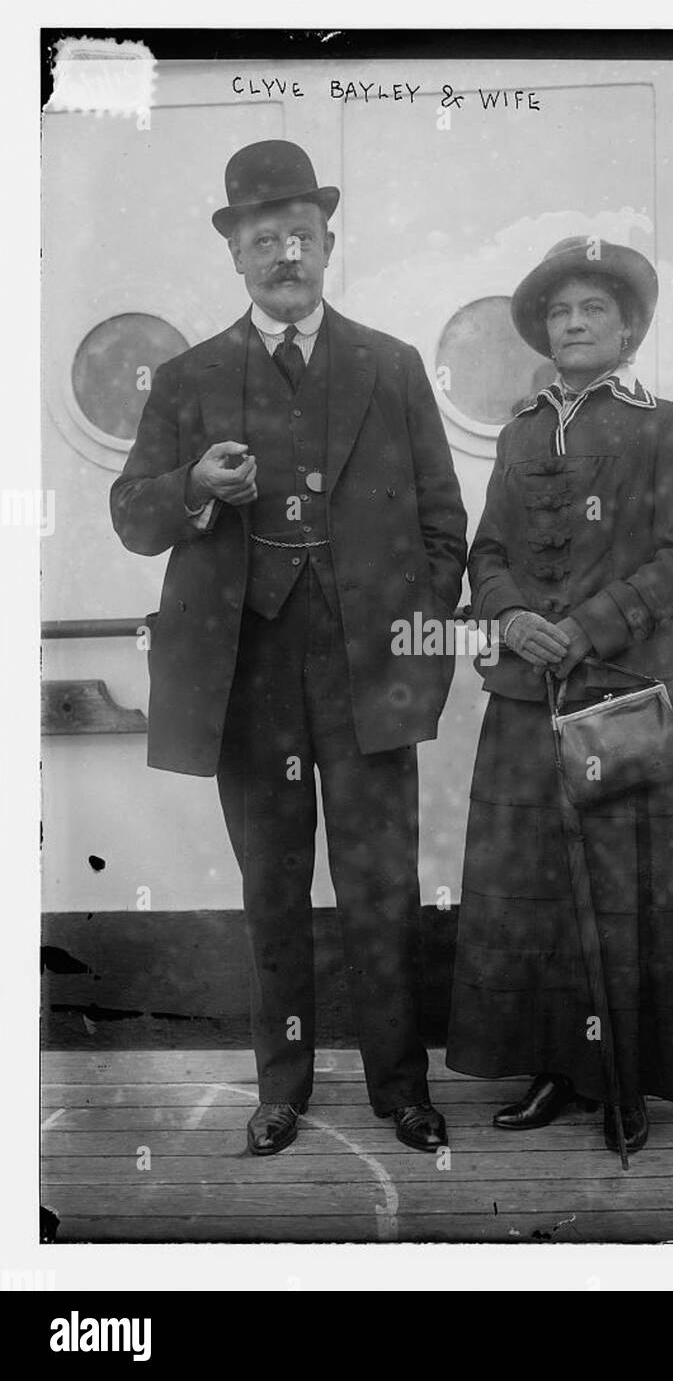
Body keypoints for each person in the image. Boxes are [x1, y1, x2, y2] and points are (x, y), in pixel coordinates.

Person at [111, 140, 467, 1156]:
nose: (284, 254)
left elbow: (444, 523)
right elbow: (133, 516)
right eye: (262, 238)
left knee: (380, 886)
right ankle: (283, 1088)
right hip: (246, 672)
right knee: (272, 886)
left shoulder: (389, 366)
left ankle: (402, 1087)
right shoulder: (188, 377)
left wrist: (410, 624)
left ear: (327, 242)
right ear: (235, 255)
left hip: (369, 673)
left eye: (299, 235)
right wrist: (193, 489)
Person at [446, 236, 673, 1154]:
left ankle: (628, 1082)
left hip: (627, 694)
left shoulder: (663, 424)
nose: (573, 324)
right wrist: (513, 614)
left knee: (628, 889)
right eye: (560, 313)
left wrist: (588, 626)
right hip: (527, 697)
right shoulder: (521, 430)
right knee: (537, 892)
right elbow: (484, 554)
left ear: (628, 329)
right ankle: (556, 1072)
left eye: (591, 311)